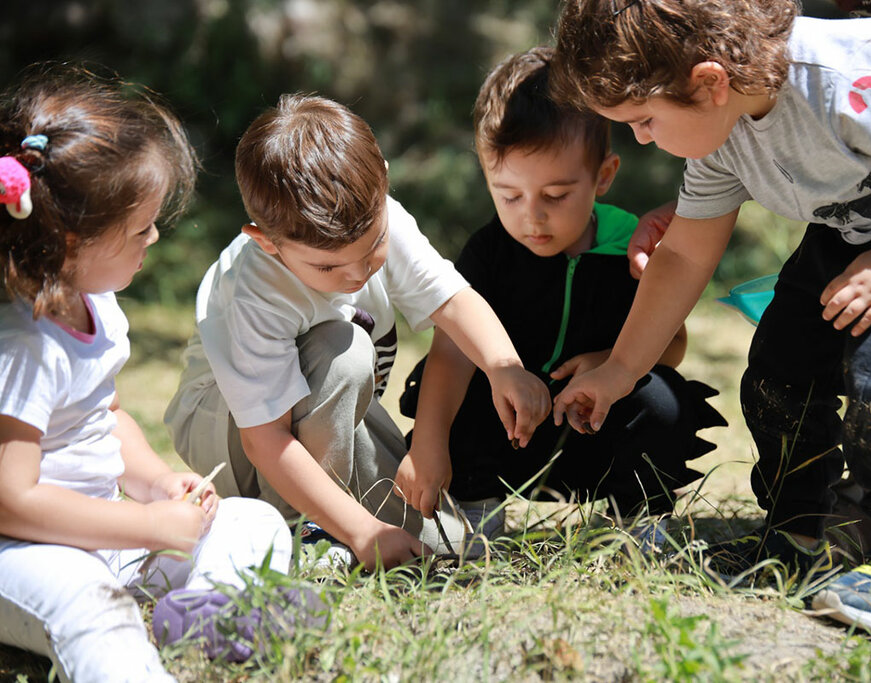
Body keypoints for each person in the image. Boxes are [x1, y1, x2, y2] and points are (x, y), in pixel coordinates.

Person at [549, 0, 871, 635]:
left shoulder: (848, 76)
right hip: (863, 222)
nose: (641, 139)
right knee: (781, 367)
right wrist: (619, 370)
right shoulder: (722, 133)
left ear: (710, 81)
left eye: (643, 120)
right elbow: (685, 254)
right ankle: (799, 533)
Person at [164, 94, 551, 571]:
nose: (355, 275)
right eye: (327, 265)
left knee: (448, 542)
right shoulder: (255, 290)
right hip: (228, 429)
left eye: (373, 249)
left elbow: (452, 300)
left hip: (327, 425)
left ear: (383, 185)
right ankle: (297, 535)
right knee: (342, 351)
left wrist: (503, 367)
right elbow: (265, 440)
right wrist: (363, 531)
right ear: (265, 242)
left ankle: (331, 524)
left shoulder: (386, 215)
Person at [0, 64, 294, 682]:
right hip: (30, 555)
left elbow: (103, 417)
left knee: (252, 520)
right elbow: (11, 500)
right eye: (139, 229)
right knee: (89, 604)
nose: (154, 237)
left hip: (111, 541)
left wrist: (160, 484)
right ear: (72, 243)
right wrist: (149, 525)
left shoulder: (97, 306)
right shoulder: (24, 345)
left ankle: (213, 616)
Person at [394, 47, 725, 541]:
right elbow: (450, 353)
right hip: (508, 437)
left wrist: (613, 362)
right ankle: (473, 508)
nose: (532, 216)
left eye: (555, 195)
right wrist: (427, 444)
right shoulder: (489, 251)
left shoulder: (628, 246)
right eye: (508, 195)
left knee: (664, 402)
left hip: (594, 434)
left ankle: (638, 517)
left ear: (603, 177)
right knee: (447, 390)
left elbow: (671, 346)